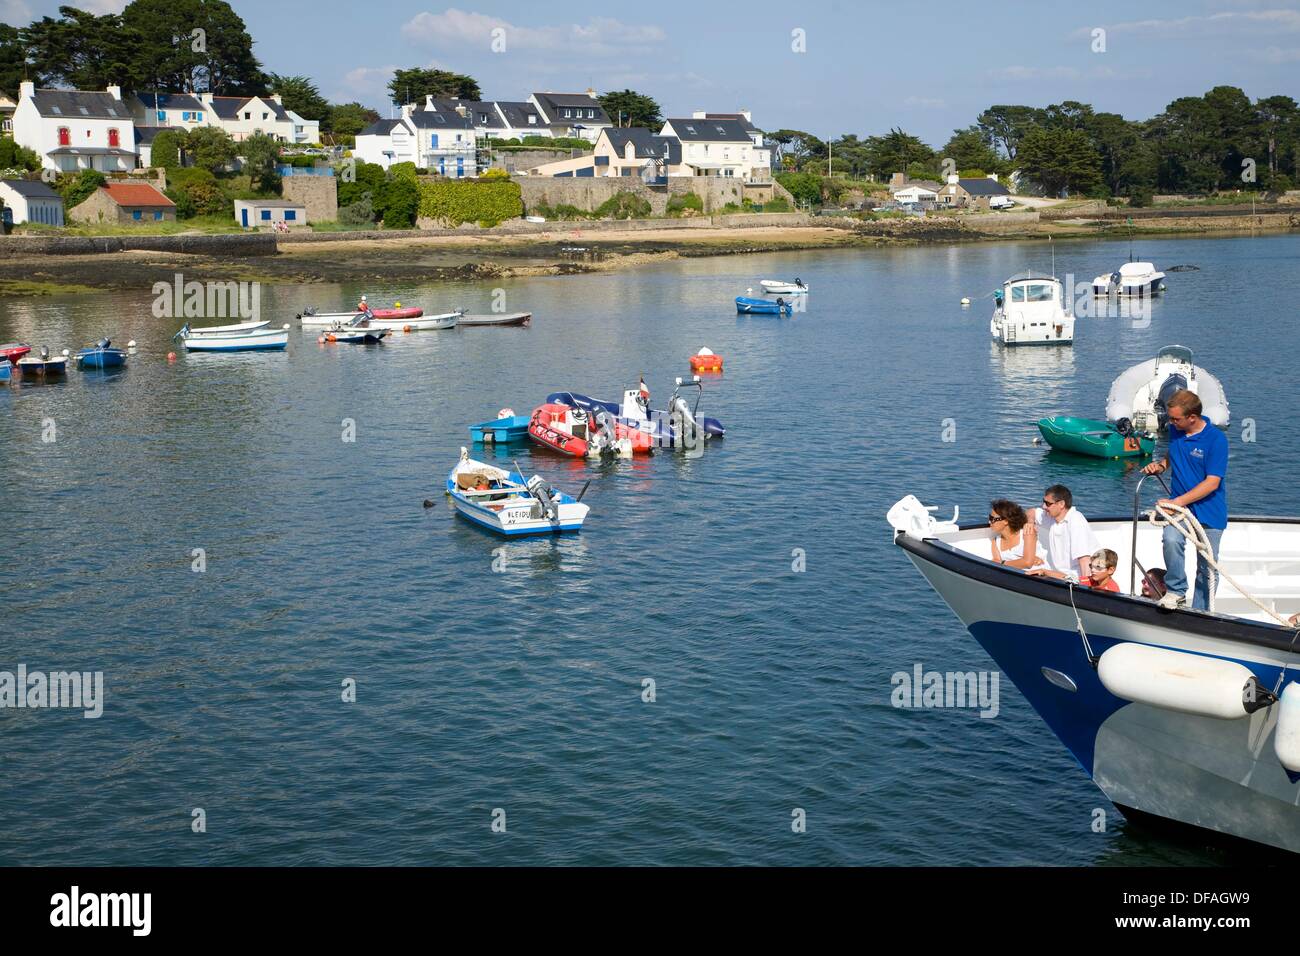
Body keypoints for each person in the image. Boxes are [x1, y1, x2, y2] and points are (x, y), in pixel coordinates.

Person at [1141, 390, 1228, 610]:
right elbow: (1174, 452)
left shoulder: (1216, 440)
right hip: (1178, 508)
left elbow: (1212, 482)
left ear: (1192, 417)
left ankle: (1200, 611)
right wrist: (1161, 465)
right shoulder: (1176, 430)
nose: (1170, 422)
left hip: (1209, 511)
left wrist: (1178, 502)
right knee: (1171, 540)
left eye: (1175, 418)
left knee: (1207, 568)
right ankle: (1176, 591)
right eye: (1170, 418)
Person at [1027, 484, 1100, 582]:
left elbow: (1084, 560)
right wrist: (1030, 523)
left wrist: (1085, 587)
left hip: (1075, 578)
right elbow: (1031, 512)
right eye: (1043, 502)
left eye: (1048, 503)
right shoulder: (1051, 517)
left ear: (1061, 504)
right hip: (1058, 574)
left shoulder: (1075, 520)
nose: (1043, 506)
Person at [988, 499, 1044, 569]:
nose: (989, 521)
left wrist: (1002, 563)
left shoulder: (1027, 533)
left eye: (992, 518)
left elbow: (1027, 563)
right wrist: (1021, 561)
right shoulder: (995, 541)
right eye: (989, 517)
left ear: (1005, 521)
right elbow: (996, 562)